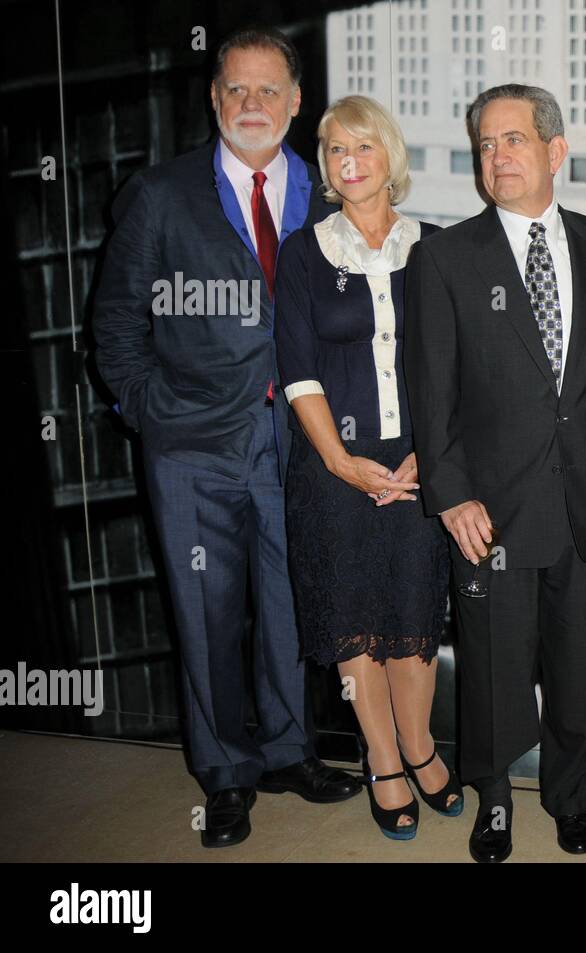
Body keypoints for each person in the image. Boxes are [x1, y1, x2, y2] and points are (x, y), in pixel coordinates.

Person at [92, 27, 360, 848]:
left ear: (295, 102)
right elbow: (114, 323)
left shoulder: (327, 194)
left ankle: (287, 751)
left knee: (289, 604)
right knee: (207, 614)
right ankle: (226, 773)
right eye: (236, 90)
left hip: (299, 445)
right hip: (192, 449)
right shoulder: (160, 194)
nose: (252, 105)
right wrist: (154, 417)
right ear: (214, 99)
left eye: (268, 91)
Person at [403, 84, 586, 863]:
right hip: (488, 510)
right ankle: (493, 801)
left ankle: (571, 799)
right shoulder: (445, 256)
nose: (498, 157)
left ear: (555, 151)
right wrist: (451, 492)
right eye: (486, 144)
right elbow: (430, 388)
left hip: (584, 504)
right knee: (493, 666)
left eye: (514, 140)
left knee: (578, 669)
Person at [274, 95, 455, 841]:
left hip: (420, 461)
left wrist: (431, 453)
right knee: (355, 632)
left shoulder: (435, 247)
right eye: (334, 151)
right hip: (332, 467)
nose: (348, 163)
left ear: (390, 160)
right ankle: (382, 758)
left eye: (362, 149)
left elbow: (452, 365)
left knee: (413, 621)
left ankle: (419, 744)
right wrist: (343, 462)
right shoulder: (304, 253)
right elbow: (300, 372)